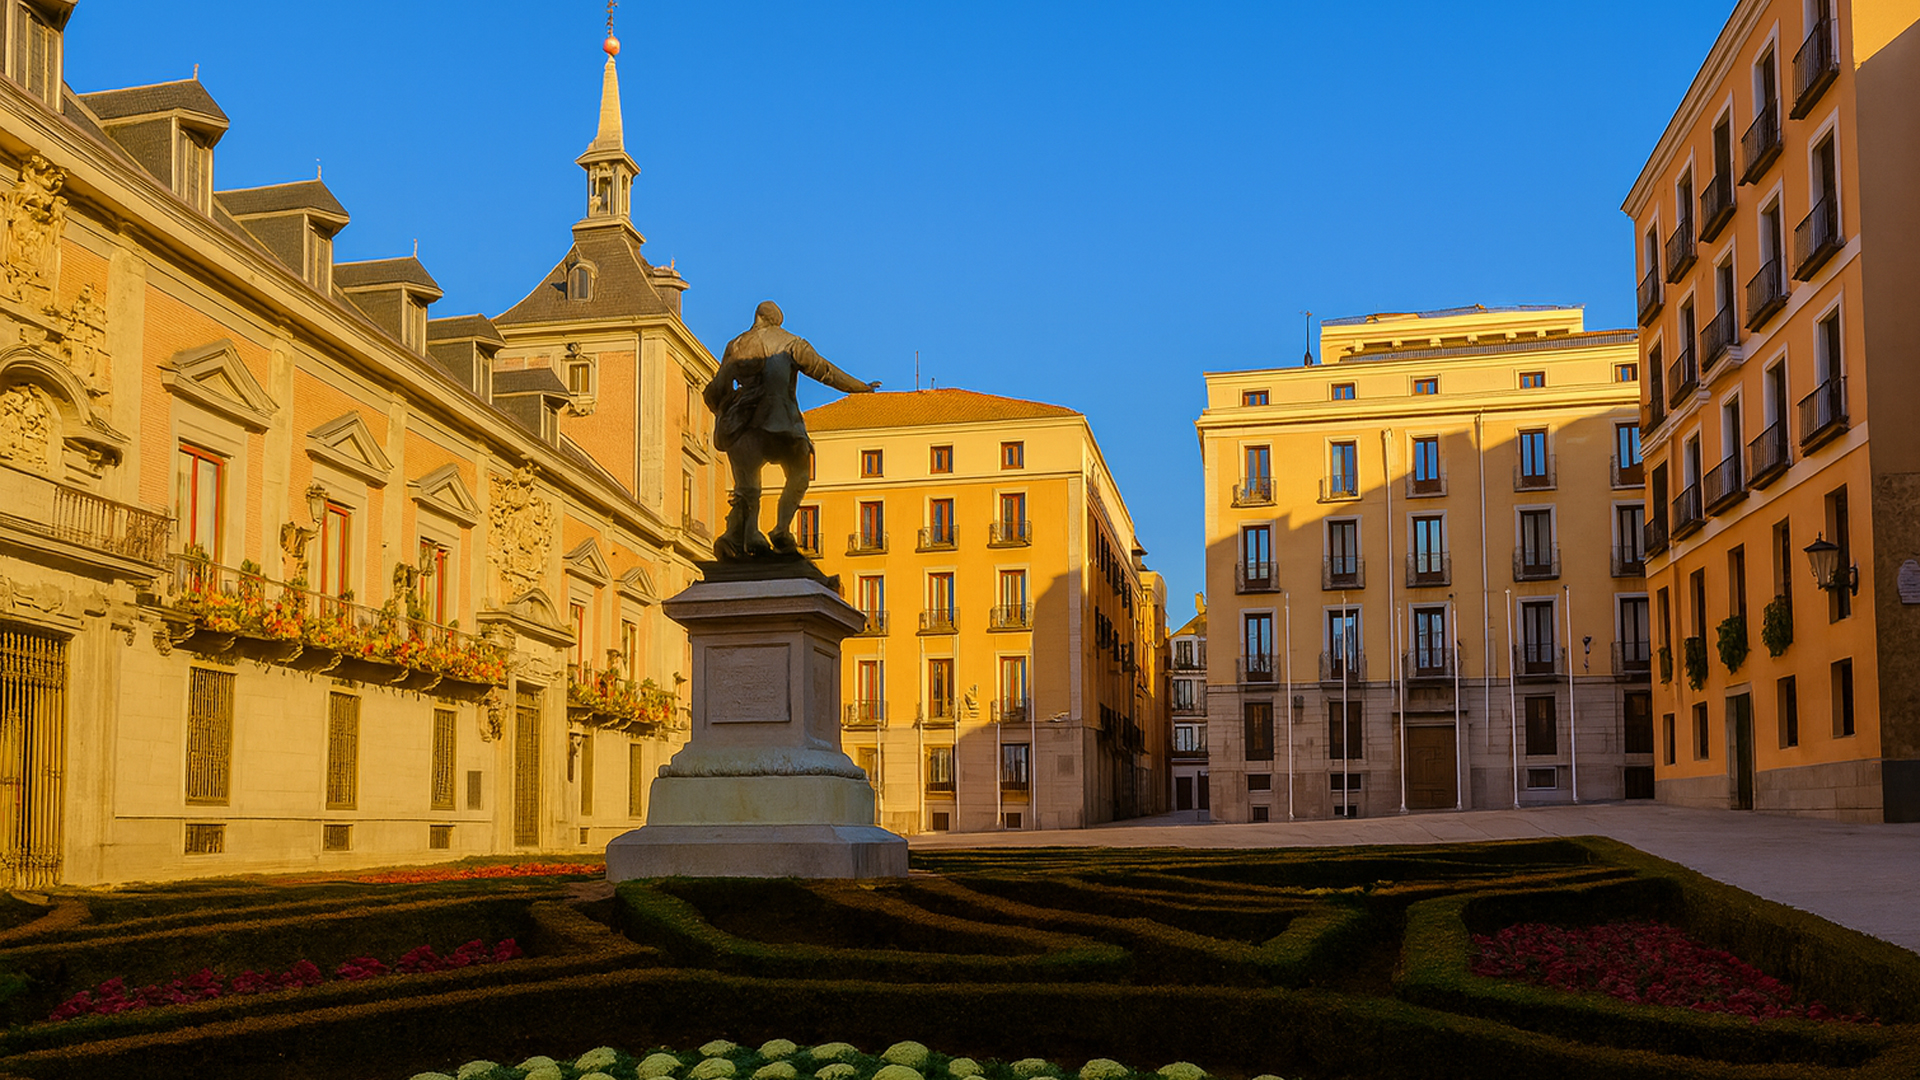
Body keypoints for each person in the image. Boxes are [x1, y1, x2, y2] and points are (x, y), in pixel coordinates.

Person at [705, 301, 877, 559]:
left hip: (741, 422)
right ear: (776, 321)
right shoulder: (792, 343)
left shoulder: (736, 345)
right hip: (781, 422)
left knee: (747, 485)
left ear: (758, 317)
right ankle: (781, 529)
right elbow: (825, 372)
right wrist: (858, 386)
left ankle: (749, 533)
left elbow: (718, 387)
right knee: (799, 474)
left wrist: (725, 407)